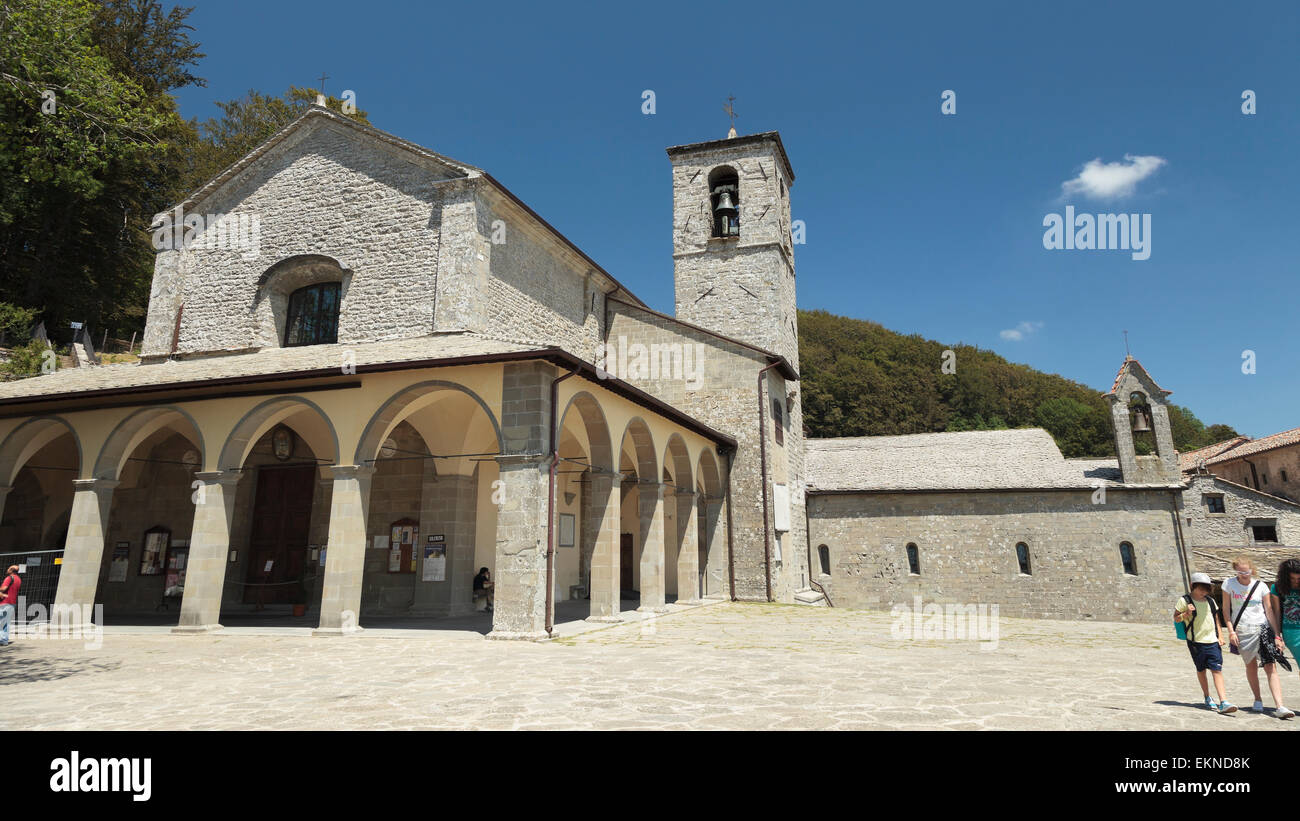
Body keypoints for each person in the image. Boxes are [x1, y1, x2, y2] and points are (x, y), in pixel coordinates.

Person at [1223, 558, 1294, 718]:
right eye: (1240, 572)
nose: (1244, 575)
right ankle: (1258, 699)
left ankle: (1280, 706)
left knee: (1271, 666)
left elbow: (1269, 610)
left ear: (1252, 570)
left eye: (1246, 572)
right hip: (1242, 629)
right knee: (1251, 666)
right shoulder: (1228, 584)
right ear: (1236, 571)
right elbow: (1226, 610)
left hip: (1262, 628)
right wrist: (1231, 631)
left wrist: (1276, 634)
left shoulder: (1261, 586)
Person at [1175, 572, 1236, 714]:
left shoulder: (1210, 601)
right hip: (1196, 642)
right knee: (1201, 669)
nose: (1204, 591)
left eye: (1206, 588)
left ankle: (1223, 701)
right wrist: (1185, 614)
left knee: (1217, 669)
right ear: (1192, 586)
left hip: (1212, 641)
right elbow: (1176, 618)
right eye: (1201, 588)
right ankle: (1207, 696)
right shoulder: (1184, 601)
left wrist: (1220, 636)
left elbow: (1216, 619)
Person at [1271, 558, 1300, 681]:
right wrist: (1277, 636)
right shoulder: (1277, 588)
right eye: (1292, 579)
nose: (1296, 582)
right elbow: (1276, 612)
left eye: (1299, 579)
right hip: (1291, 633)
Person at [0, 565, 21, 647]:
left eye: (8, 568)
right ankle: (4, 640)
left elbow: (3, 588)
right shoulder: (18, 579)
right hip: (12, 603)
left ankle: (2, 639)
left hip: (5, 602)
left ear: (11, 570)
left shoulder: (9, 578)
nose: (7, 569)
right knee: (6, 622)